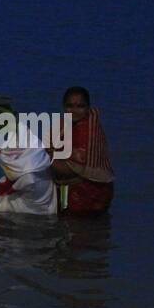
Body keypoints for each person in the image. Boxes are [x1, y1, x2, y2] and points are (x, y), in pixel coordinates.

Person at [48, 86, 114, 216]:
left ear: (88, 108)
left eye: (80, 106)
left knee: (81, 230)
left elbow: (76, 167)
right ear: (63, 107)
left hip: (92, 193)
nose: (74, 111)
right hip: (72, 191)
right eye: (70, 106)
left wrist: (44, 159)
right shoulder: (63, 124)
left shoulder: (89, 129)